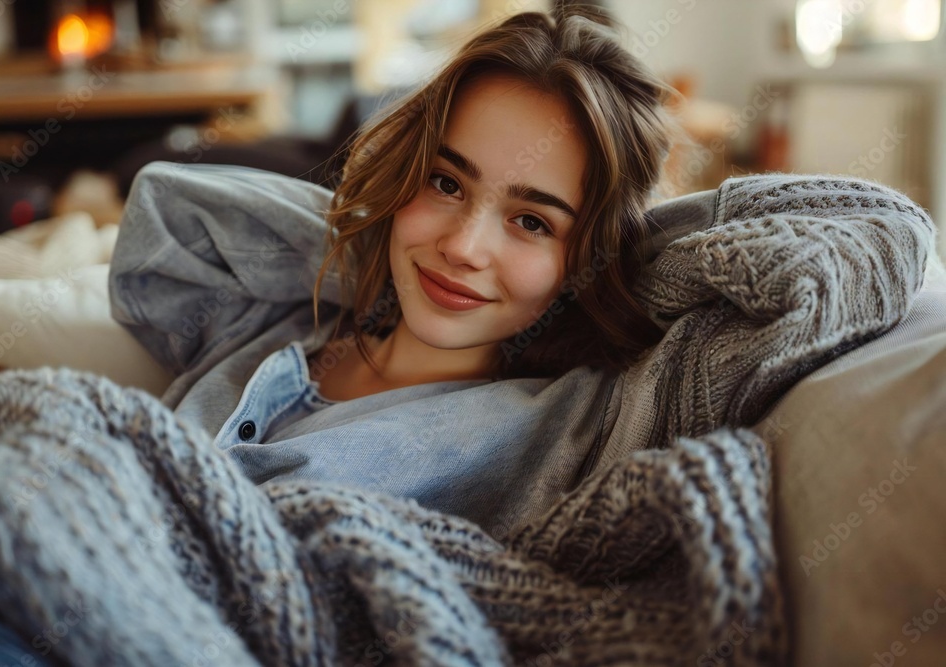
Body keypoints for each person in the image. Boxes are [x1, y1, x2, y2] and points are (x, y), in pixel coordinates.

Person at [108, 6, 680, 534]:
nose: (462, 247)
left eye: (531, 222)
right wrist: (365, 249)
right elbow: (164, 210)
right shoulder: (275, 320)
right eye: (446, 182)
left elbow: (736, 229)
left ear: (591, 258)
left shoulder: (544, 435)